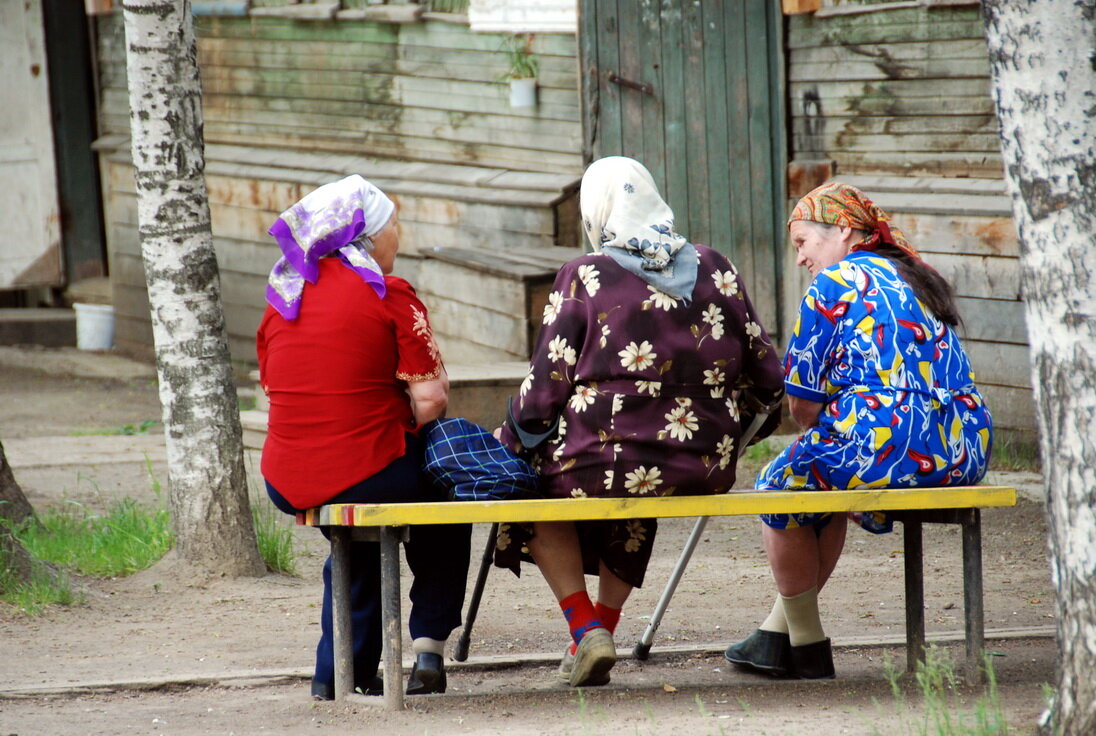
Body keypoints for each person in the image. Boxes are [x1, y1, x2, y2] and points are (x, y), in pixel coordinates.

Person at [495, 156, 785, 687]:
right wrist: (726, 434)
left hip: (600, 459)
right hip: (699, 464)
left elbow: (543, 391)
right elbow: (769, 379)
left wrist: (510, 437)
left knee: (528, 489)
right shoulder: (715, 265)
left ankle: (587, 630)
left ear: (597, 209)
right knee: (642, 473)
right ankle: (601, 627)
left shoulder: (584, 275)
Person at [723, 182, 994, 680]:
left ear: (844, 230)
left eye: (803, 242)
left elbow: (801, 401)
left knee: (779, 486)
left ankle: (808, 648)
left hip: (885, 441)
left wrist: (820, 426)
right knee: (819, 482)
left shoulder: (833, 283)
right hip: (963, 444)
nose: (801, 257)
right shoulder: (918, 275)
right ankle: (772, 636)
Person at [257, 175, 472, 700]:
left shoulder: (283, 295)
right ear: (370, 236)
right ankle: (428, 649)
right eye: (394, 223)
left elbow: (275, 386)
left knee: (355, 538)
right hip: (365, 466)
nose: (400, 234)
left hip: (287, 475)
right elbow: (431, 401)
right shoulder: (389, 292)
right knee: (448, 485)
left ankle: (335, 676)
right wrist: (404, 432)